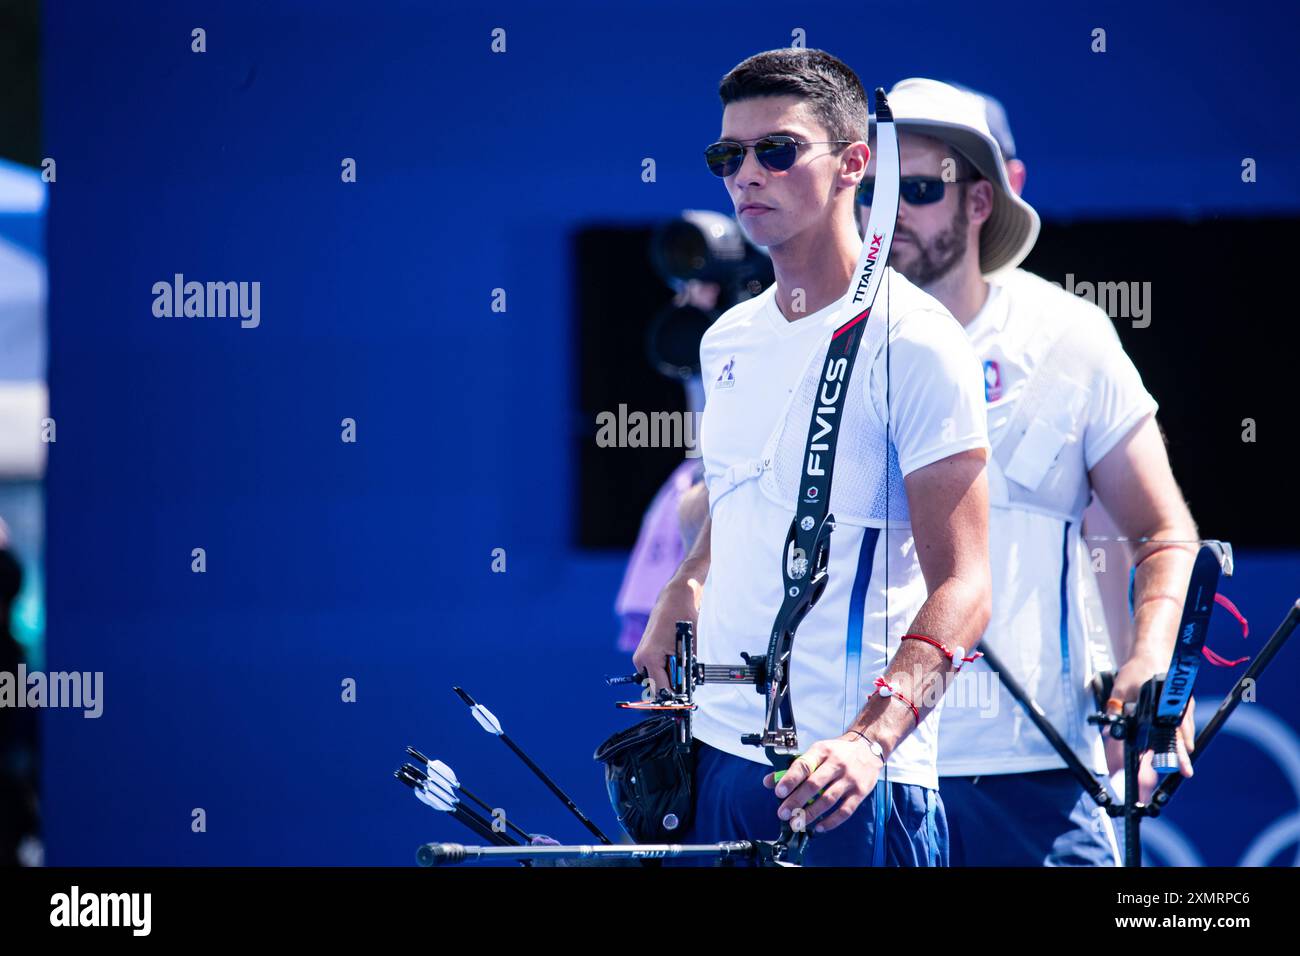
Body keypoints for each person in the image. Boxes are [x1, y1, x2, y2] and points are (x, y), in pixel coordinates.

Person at [633, 49, 992, 866]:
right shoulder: (725, 339)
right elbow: (743, 502)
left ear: (855, 164)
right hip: (719, 769)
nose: (746, 175)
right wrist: (685, 580)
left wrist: (872, 740)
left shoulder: (919, 340)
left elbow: (968, 590)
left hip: (851, 786)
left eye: (778, 150)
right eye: (728, 156)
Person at [856, 78, 1199, 866]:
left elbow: (1161, 529)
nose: (890, 210)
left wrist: (1148, 659)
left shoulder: (1071, 336)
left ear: (981, 203)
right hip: (868, 766)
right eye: (874, 189)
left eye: (916, 188)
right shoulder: (823, 340)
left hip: (1037, 773)